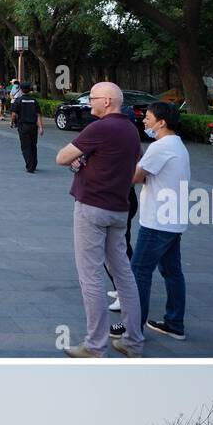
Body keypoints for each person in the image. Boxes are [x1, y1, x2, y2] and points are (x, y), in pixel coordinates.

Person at [56, 81, 144, 358]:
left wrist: (80, 160)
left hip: (92, 207)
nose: (89, 102)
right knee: (124, 275)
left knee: (91, 276)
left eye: (92, 98)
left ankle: (95, 345)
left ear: (107, 101)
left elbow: (62, 157)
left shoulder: (101, 127)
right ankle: (133, 341)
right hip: (119, 209)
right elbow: (130, 163)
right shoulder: (130, 129)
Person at [126, 101, 189, 341]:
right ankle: (174, 323)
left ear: (161, 123)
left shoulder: (160, 147)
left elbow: (134, 176)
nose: (145, 121)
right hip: (173, 220)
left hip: (156, 222)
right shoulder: (178, 145)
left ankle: (133, 330)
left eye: (148, 118)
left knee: (139, 272)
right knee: (172, 272)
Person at [11, 81, 43, 172]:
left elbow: (14, 114)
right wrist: (40, 127)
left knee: (26, 146)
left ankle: (30, 166)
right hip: (33, 127)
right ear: (29, 90)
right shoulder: (34, 101)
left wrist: (12, 122)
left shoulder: (18, 100)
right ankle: (34, 164)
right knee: (33, 146)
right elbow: (38, 115)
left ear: (21, 90)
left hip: (23, 126)